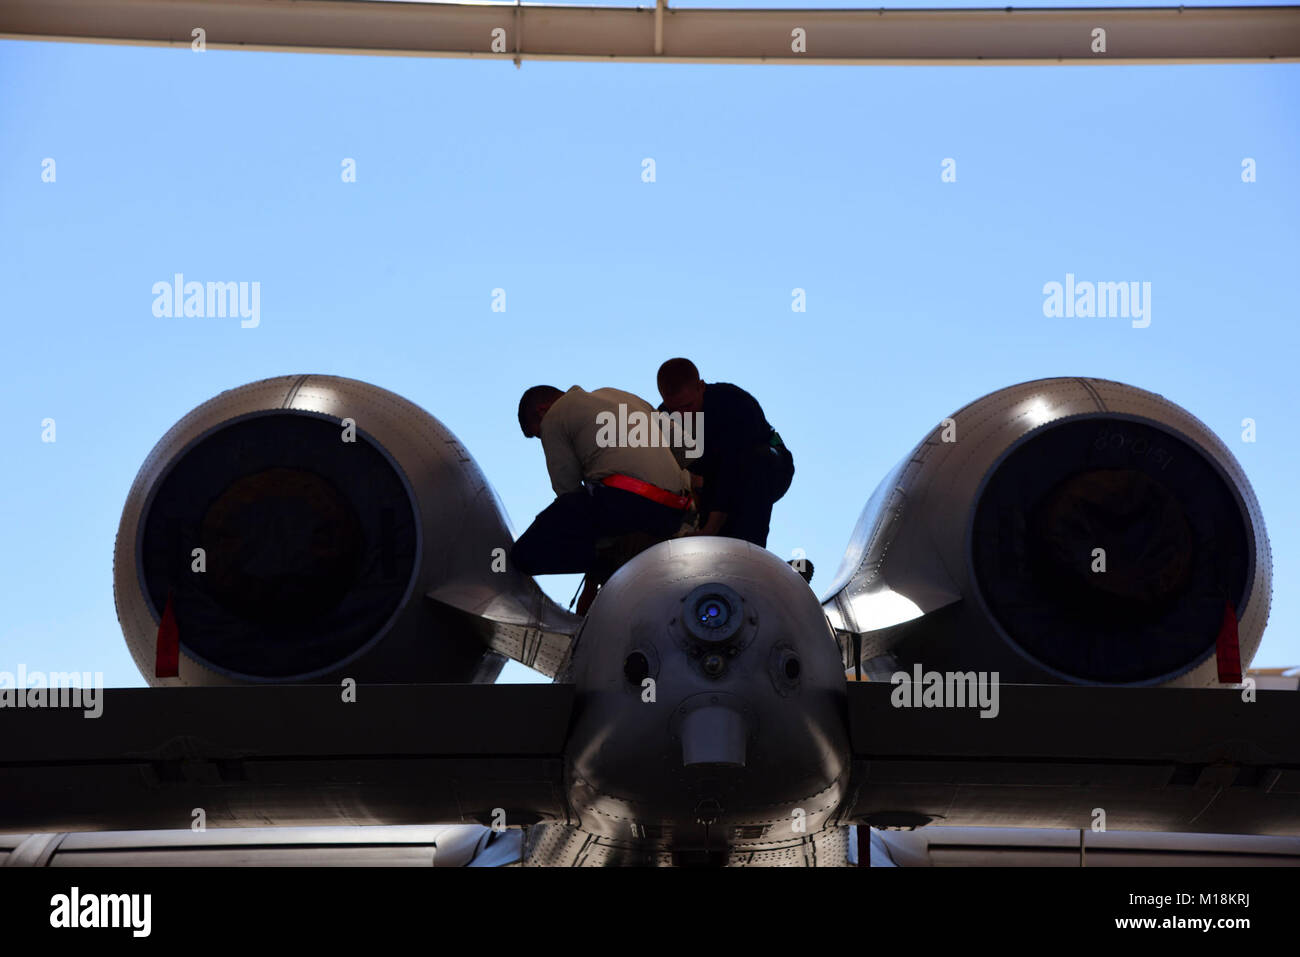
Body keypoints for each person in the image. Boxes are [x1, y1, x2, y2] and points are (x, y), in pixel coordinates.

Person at [512, 384, 693, 613]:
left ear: (542, 410)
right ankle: (612, 554)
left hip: (625, 503)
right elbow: (687, 448)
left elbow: (566, 489)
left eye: (540, 435)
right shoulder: (623, 395)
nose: (544, 439)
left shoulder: (555, 415)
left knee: (524, 555)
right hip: (673, 511)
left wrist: (598, 547)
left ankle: (605, 561)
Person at [657, 358, 794, 548]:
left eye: (688, 406)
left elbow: (732, 469)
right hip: (713, 479)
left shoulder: (733, 402)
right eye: (674, 409)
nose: (681, 415)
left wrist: (710, 529)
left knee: (750, 468)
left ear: (701, 387)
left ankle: (753, 555)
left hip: (770, 464)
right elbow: (691, 475)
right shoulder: (665, 421)